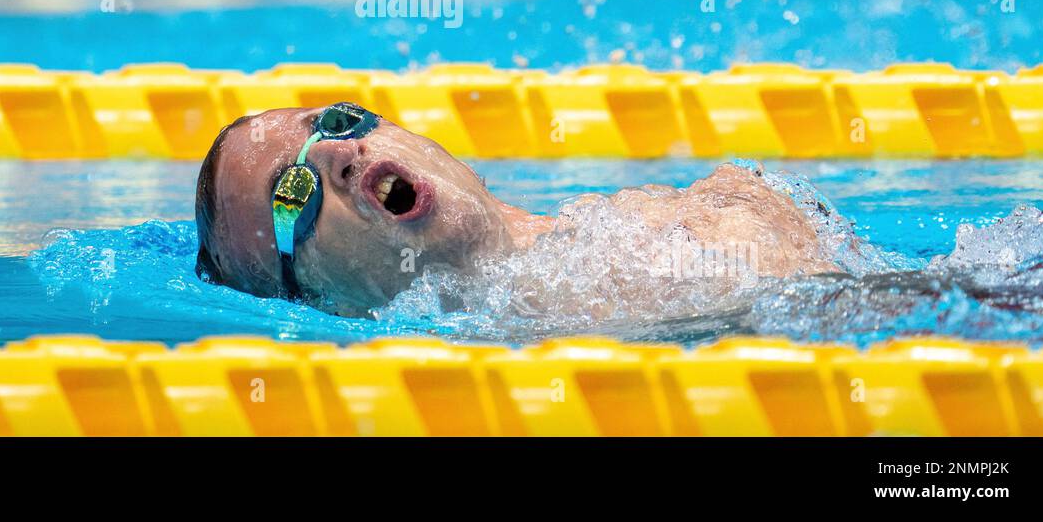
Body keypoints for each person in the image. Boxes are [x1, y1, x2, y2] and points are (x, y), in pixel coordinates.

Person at [194, 102, 844, 318]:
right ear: (315, 300)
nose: (338, 151)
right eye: (291, 193)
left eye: (339, 120)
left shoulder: (705, 200)